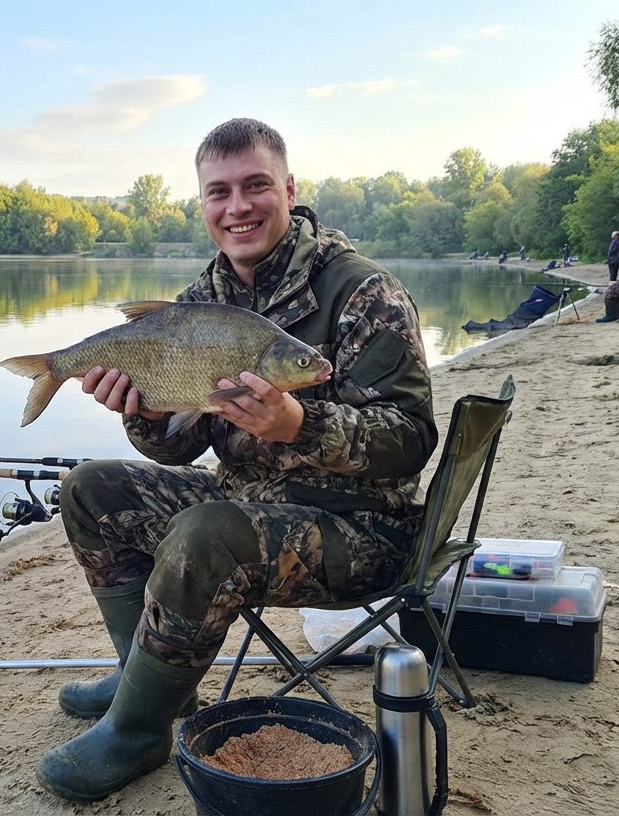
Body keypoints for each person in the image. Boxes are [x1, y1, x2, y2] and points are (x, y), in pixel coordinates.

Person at [35, 118, 437, 801]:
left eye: (255, 186)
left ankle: (136, 730)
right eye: (219, 192)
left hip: (363, 529)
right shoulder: (201, 303)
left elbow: (412, 438)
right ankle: (145, 677)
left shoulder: (363, 293)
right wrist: (145, 411)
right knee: (88, 489)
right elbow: (179, 444)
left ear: (289, 188)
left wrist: (299, 424)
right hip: (244, 506)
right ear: (204, 206)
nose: (238, 206)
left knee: (206, 532)